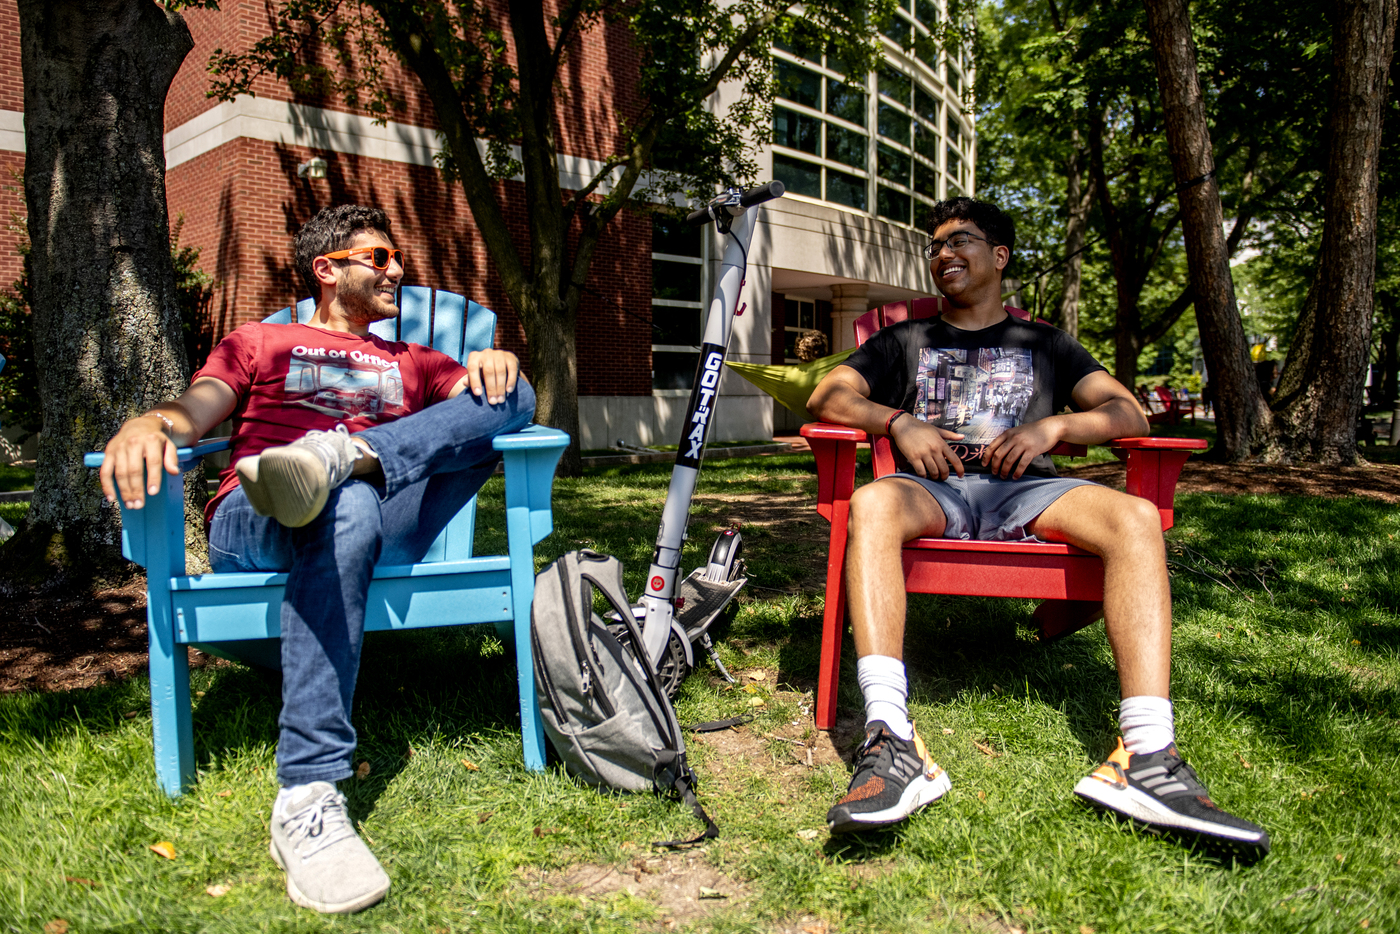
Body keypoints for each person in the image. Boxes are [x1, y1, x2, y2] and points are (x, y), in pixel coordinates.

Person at [98, 205, 535, 913]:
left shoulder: (414, 360)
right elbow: (198, 406)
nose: (398, 270)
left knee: (498, 405)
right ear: (327, 270)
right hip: (257, 513)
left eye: (399, 260)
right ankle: (308, 793)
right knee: (345, 503)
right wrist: (152, 422)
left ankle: (349, 456)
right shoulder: (262, 341)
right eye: (381, 256)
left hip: (369, 506)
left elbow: (502, 403)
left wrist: (493, 363)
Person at [806, 198, 1268, 857]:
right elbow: (830, 396)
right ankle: (890, 738)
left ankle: (1146, 753)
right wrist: (897, 421)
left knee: (1135, 517)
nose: (943, 254)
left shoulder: (1046, 344)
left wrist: (1056, 426)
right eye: (934, 246)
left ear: (1000, 256)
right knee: (873, 502)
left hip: (1031, 492)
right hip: (933, 491)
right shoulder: (903, 341)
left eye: (959, 241)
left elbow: (1127, 413)